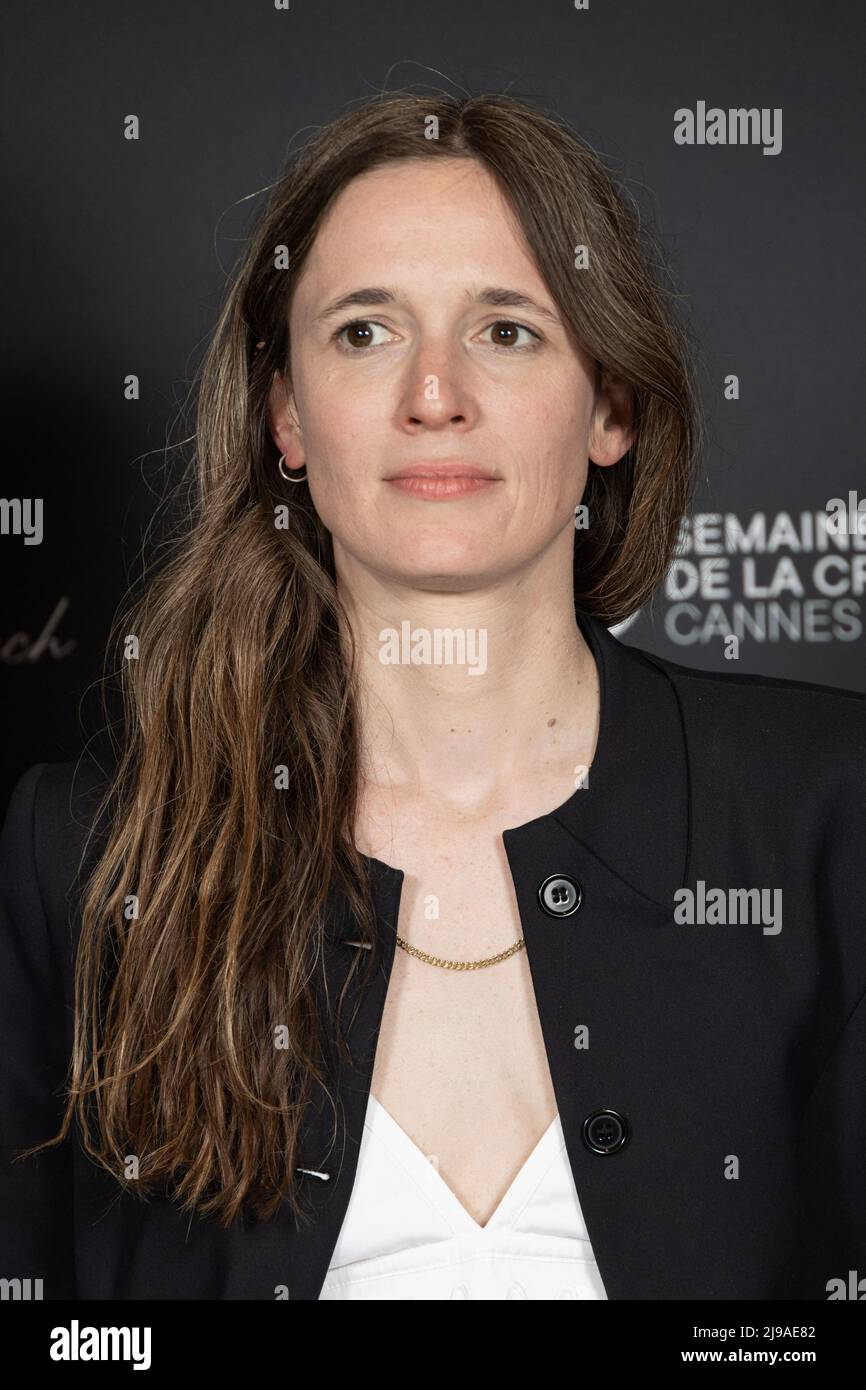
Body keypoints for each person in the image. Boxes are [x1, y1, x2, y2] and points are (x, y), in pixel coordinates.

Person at [1, 90, 864, 1302]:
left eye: (506, 330)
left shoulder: (829, 813)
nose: (433, 393)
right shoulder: (82, 860)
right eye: (364, 332)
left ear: (610, 405)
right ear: (285, 415)